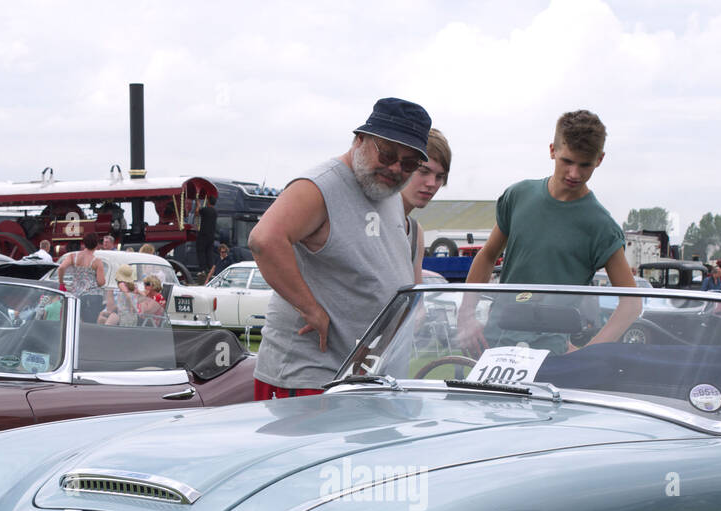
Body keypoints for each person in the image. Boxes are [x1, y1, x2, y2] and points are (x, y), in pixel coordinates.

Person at [249, 96, 431, 399]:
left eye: (410, 163)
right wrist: (310, 309)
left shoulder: (388, 194)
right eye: (387, 154)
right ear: (360, 140)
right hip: (313, 376)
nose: (396, 168)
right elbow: (264, 240)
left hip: (366, 378)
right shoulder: (320, 186)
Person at [465, 110, 633, 289]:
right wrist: (466, 313)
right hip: (506, 316)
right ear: (552, 150)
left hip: (563, 318)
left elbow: (631, 302)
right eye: (567, 161)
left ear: (599, 159)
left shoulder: (603, 226)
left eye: (585, 165)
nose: (574, 174)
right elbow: (487, 256)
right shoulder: (517, 196)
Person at [401, 128, 451, 284]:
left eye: (439, 177)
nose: (431, 184)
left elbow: (416, 302)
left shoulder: (415, 232)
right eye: (423, 171)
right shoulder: (371, 220)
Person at [57, 232, 106, 321]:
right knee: (91, 324)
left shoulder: (72, 256)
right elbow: (101, 282)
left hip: (77, 294)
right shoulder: (97, 261)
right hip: (94, 295)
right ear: (96, 245)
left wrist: (61, 282)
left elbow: (61, 268)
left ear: (84, 243)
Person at [197, 194, 218, 278]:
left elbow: (197, 211)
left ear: (208, 202)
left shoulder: (205, 210)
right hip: (211, 235)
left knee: (200, 251)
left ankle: (202, 269)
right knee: (209, 253)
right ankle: (210, 269)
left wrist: (197, 202)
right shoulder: (215, 212)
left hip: (203, 234)